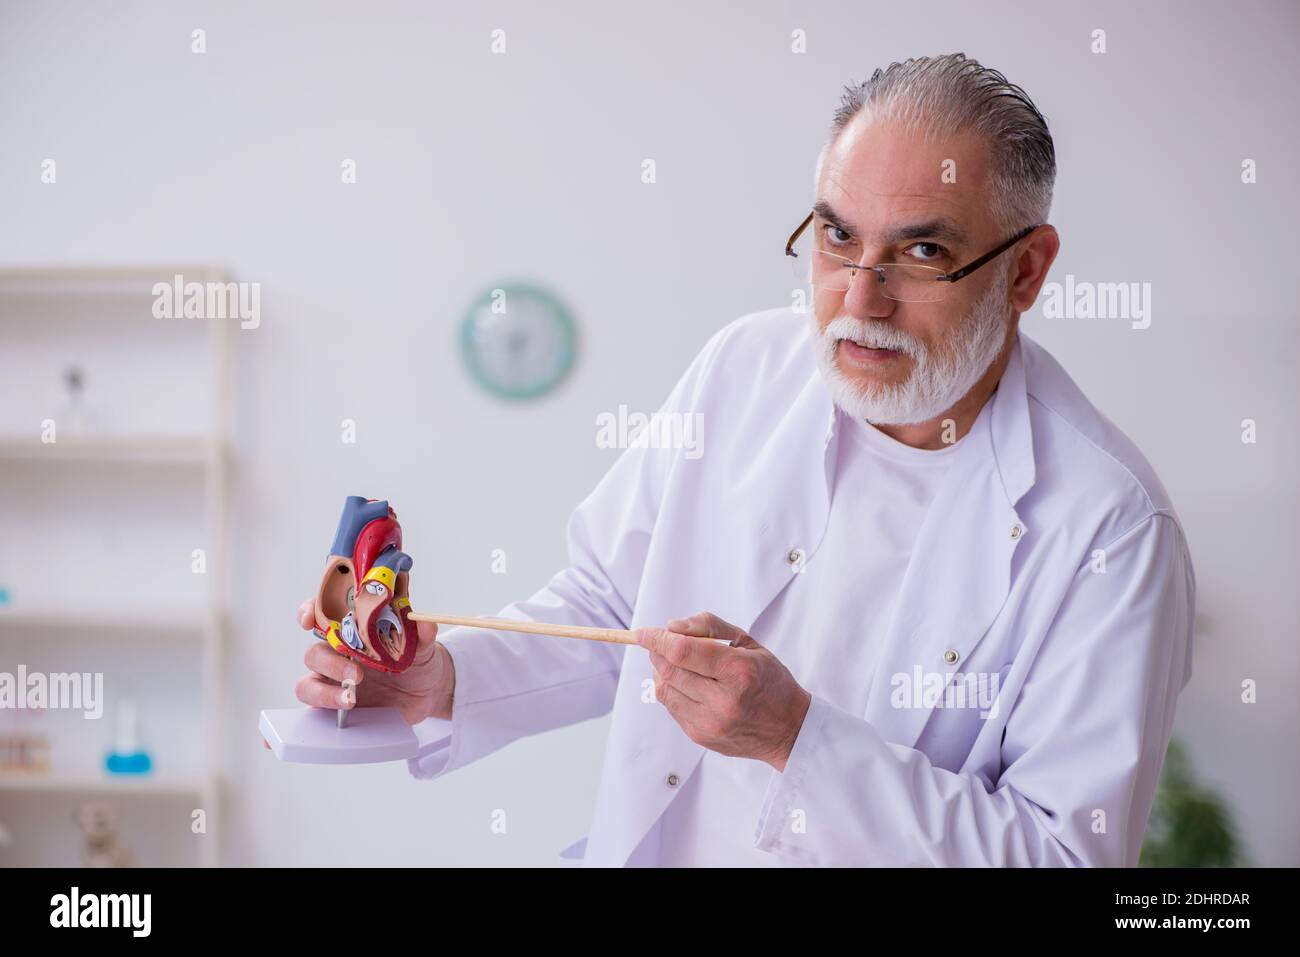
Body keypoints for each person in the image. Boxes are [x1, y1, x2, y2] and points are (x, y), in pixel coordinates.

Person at [292, 53, 1196, 867]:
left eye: (923, 251)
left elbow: (1062, 858)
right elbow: (611, 605)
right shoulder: (745, 368)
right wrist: (441, 677)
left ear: (1027, 272)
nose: (861, 299)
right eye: (838, 237)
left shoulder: (1109, 528)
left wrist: (800, 741)